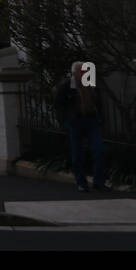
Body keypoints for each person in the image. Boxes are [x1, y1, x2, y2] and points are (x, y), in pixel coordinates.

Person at [53, 62, 109, 192]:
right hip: (76, 121)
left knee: (99, 149)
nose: (84, 73)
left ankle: (99, 182)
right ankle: (81, 182)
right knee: (77, 153)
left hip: (91, 120)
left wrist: (100, 116)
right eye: (81, 71)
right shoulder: (67, 86)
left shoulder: (91, 84)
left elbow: (98, 101)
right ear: (75, 73)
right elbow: (58, 104)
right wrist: (66, 121)